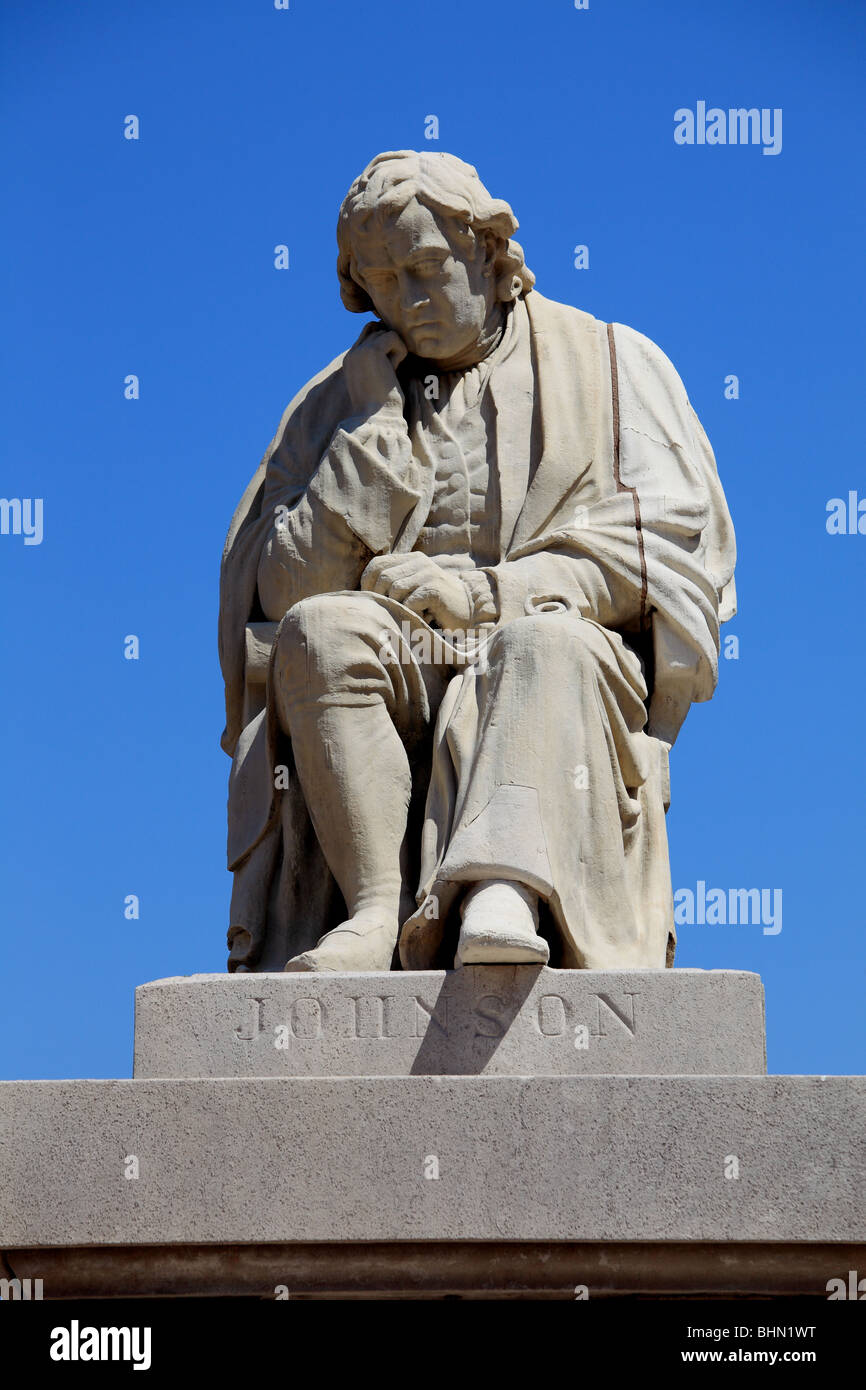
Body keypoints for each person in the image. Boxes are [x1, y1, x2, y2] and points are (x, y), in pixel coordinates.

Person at [218, 149, 736, 974]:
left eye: (426, 266)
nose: (408, 299)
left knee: (536, 647)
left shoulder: (607, 361)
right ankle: (376, 909)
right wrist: (370, 437)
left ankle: (505, 887)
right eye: (382, 280)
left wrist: (492, 594)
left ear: (488, 250)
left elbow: (665, 541)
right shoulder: (335, 402)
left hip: (563, 653)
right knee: (319, 633)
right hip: (407, 665)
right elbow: (275, 598)